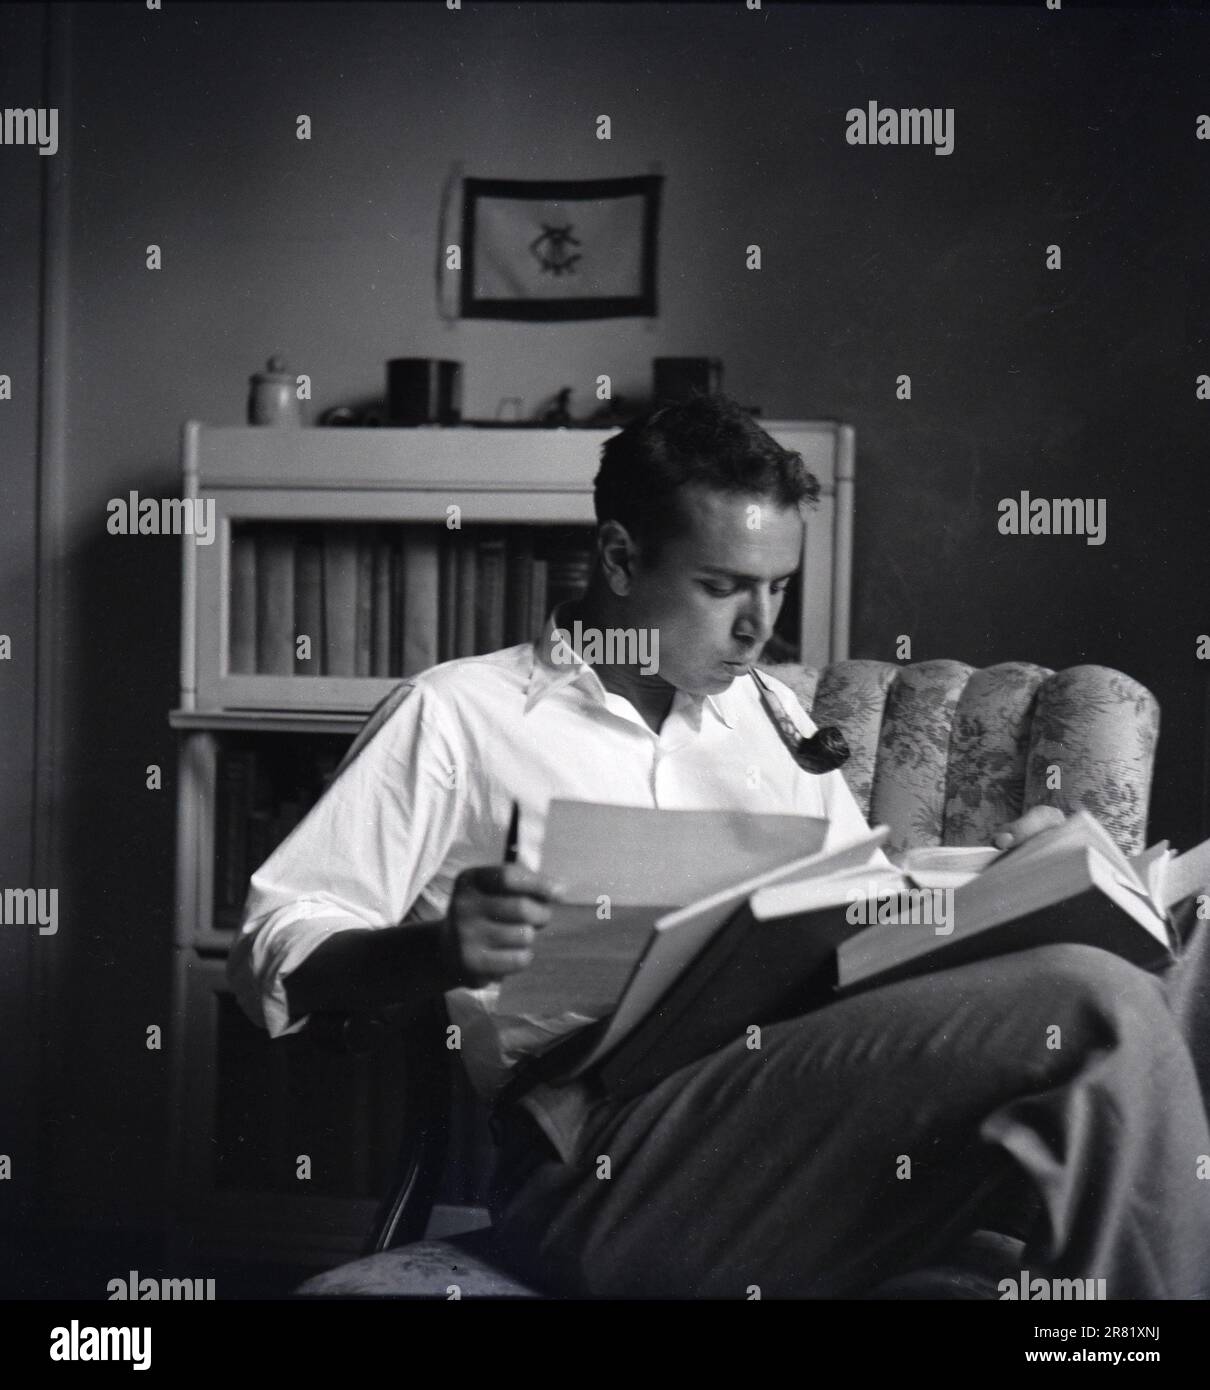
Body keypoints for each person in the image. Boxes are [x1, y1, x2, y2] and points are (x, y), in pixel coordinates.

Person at [229, 394, 1210, 1298]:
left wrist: (1005, 881)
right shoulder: (458, 715)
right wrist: (431, 949)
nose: (758, 628)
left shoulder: (768, 718)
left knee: (1170, 962)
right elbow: (275, 944)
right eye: (721, 586)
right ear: (617, 558)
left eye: (777, 588)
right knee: (1096, 1002)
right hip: (597, 1163)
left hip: (790, 1130)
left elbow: (868, 930)